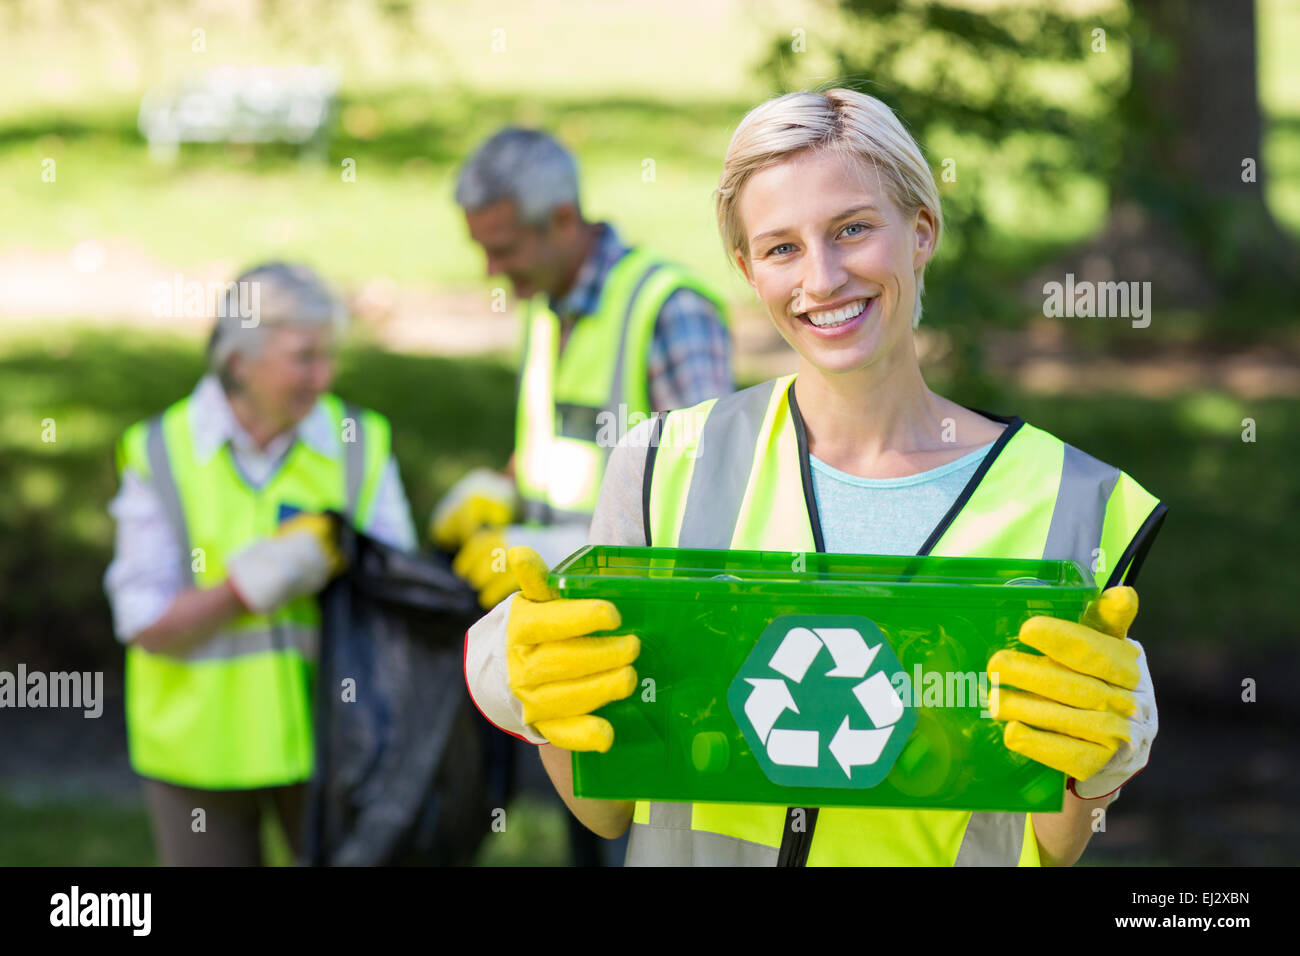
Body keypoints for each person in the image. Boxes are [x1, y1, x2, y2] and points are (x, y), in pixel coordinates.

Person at [463, 89, 1168, 866]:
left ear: (922, 230)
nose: (824, 279)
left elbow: (1055, 842)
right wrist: (533, 693)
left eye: (853, 229)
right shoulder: (663, 467)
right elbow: (604, 810)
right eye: (781, 248)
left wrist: (1100, 767)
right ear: (747, 268)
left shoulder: (1069, 499)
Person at [104, 262, 418, 866]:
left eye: (329, 357)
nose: (322, 378)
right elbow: (142, 619)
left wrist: (355, 560)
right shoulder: (161, 452)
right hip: (199, 754)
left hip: (338, 743)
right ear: (239, 362)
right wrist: (247, 590)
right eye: (303, 358)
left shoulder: (359, 440)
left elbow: (401, 595)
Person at [432, 126, 734, 608]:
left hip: (637, 618)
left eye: (503, 249)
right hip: (556, 613)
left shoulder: (668, 309)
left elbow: (710, 497)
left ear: (563, 219)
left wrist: (566, 555)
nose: (490, 270)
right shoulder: (546, 304)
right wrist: (504, 486)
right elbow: (562, 438)